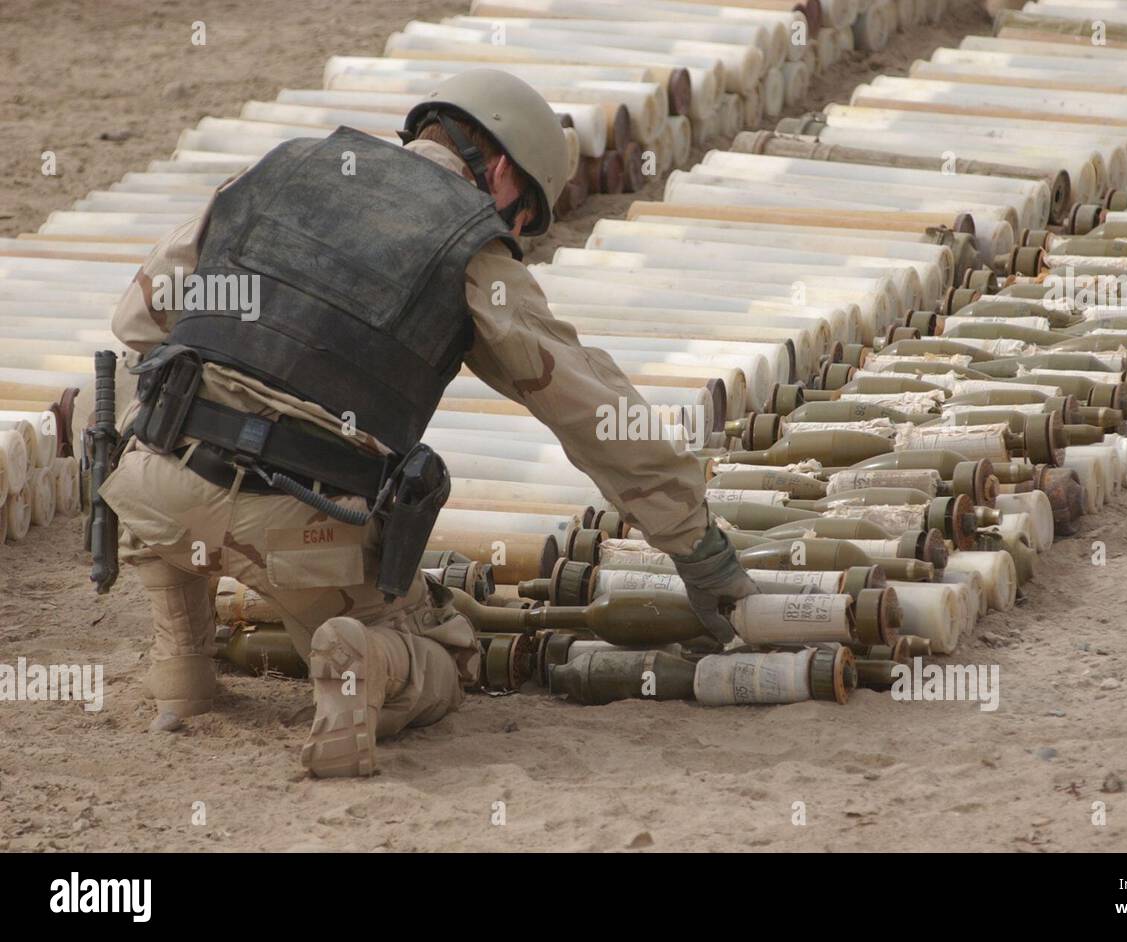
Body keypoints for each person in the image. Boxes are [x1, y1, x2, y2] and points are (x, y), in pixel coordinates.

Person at [99, 69, 758, 778]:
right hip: (296, 522)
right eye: (526, 217)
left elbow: (137, 321)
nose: (517, 232)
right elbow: (591, 408)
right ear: (501, 170)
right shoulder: (468, 247)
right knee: (447, 653)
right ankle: (365, 661)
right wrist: (696, 547)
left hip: (152, 482)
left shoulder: (277, 170)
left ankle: (184, 678)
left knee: (168, 483)